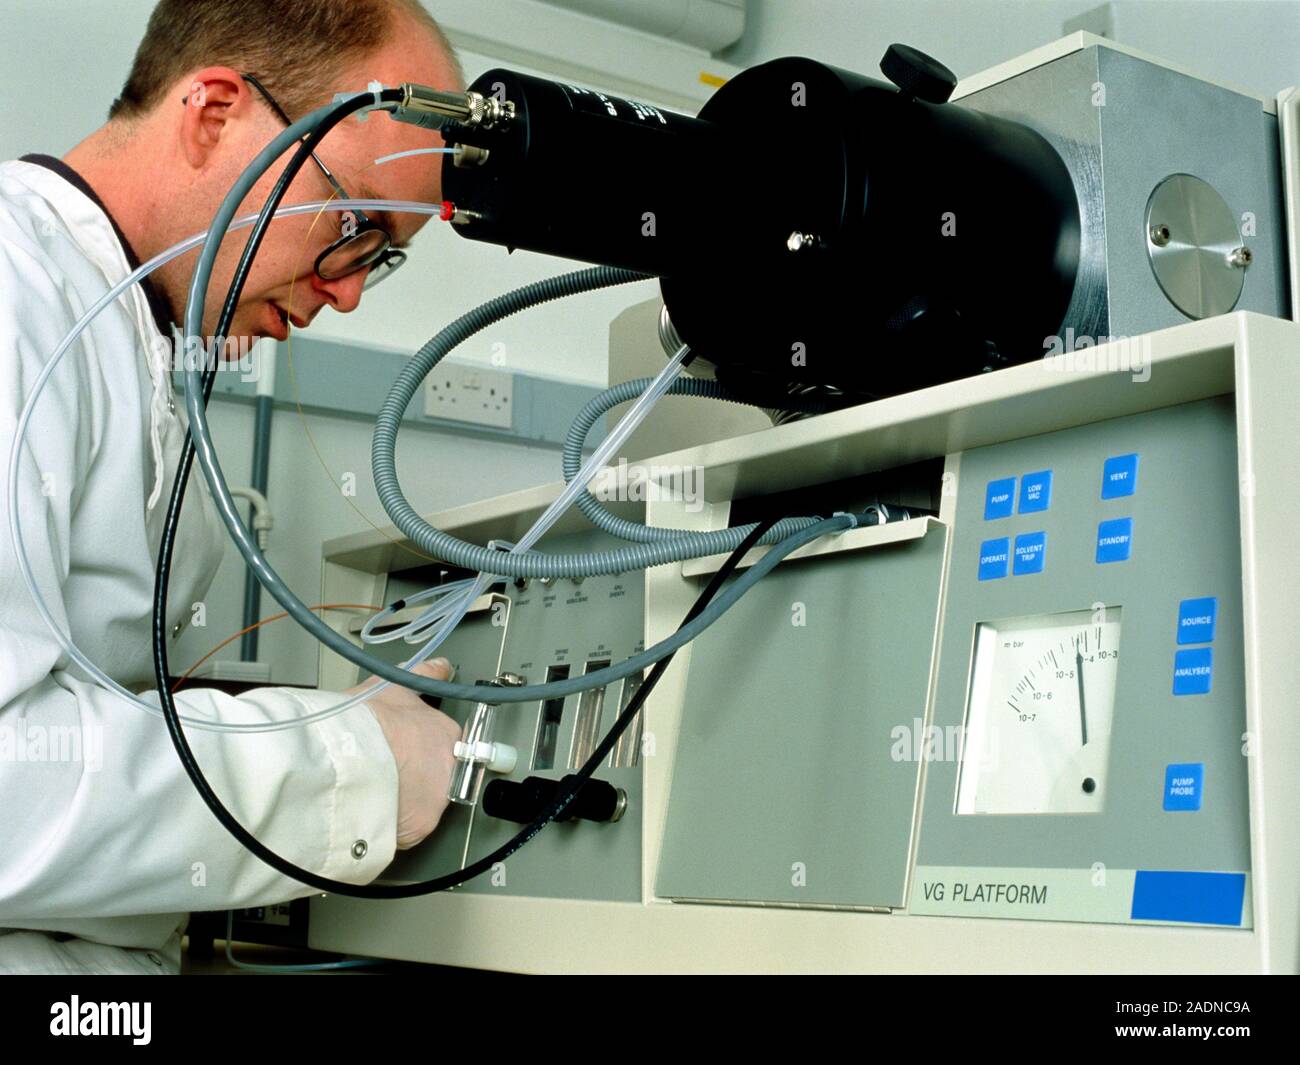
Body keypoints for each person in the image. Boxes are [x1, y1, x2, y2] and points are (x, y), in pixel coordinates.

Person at [0, 0, 467, 974]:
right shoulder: (15, 299)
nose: (345, 290)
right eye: (353, 224)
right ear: (214, 115)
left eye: (378, 258)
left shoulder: (128, 336)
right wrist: (350, 766)